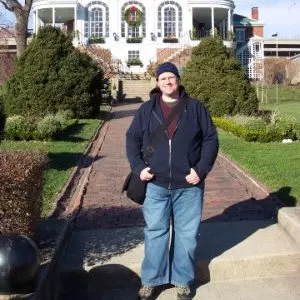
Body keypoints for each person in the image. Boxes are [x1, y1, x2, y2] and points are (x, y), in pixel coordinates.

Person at [126, 62, 219, 300]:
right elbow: (132, 139)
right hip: (156, 184)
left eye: (171, 77)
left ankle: (182, 280)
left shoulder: (195, 107)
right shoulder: (147, 110)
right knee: (155, 232)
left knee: (187, 235)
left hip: (189, 184)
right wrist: (138, 168)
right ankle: (151, 281)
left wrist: (200, 170)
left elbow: (210, 139)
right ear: (158, 83)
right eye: (163, 78)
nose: (168, 82)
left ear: (178, 80)